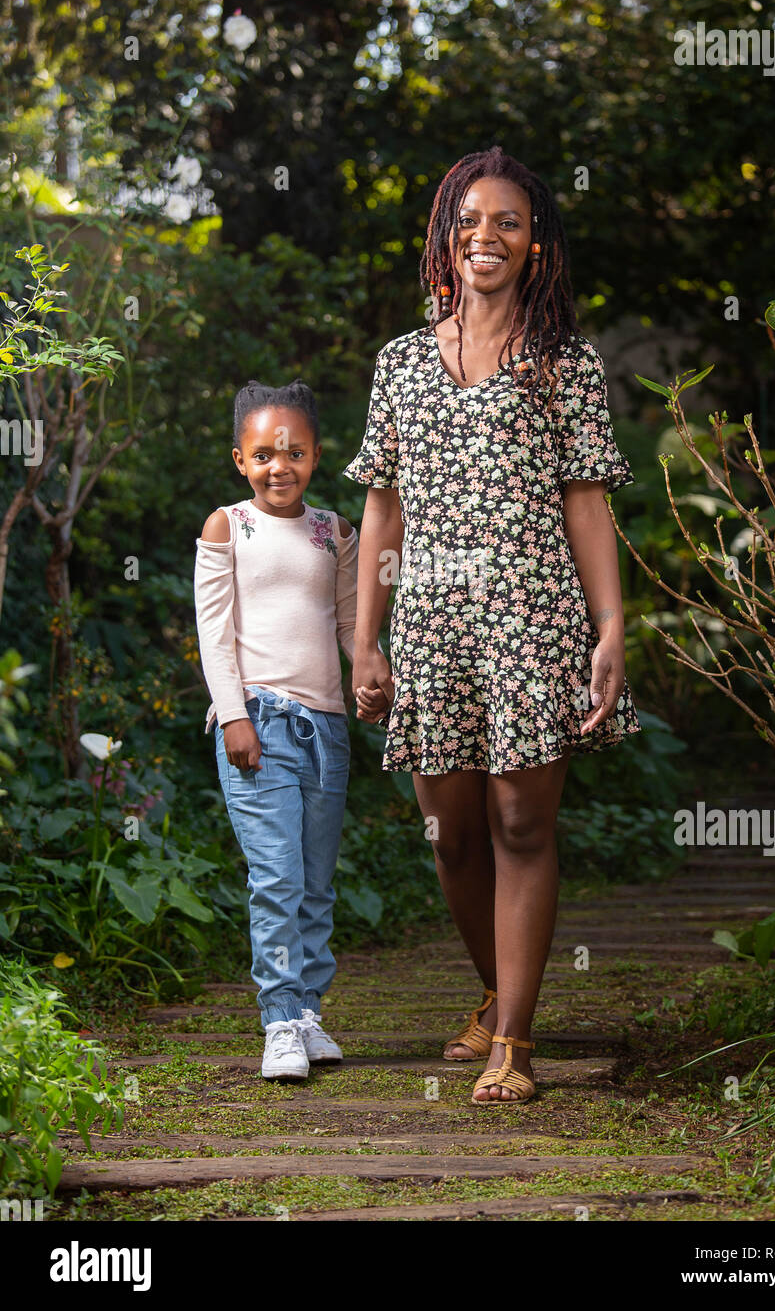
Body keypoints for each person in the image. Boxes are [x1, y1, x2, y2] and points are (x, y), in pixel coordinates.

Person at [346, 147, 641, 1104]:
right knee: (450, 830)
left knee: (522, 818)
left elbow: (587, 505)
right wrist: (366, 635)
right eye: (471, 220)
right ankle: (491, 988)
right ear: (446, 236)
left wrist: (610, 629)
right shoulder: (400, 362)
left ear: (536, 245)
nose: (487, 236)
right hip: (431, 618)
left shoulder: (564, 365)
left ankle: (514, 1038)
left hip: (533, 615)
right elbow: (381, 512)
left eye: (508, 222)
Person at [194, 379, 388, 1080]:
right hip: (256, 724)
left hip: (325, 730)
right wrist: (236, 716)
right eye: (265, 453)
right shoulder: (229, 526)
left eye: (296, 452)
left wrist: (370, 672)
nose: (281, 465)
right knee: (274, 877)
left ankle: (307, 1011)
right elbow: (214, 636)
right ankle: (277, 1020)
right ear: (240, 459)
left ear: (314, 456)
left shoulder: (334, 530)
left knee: (313, 882)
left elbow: (347, 624)